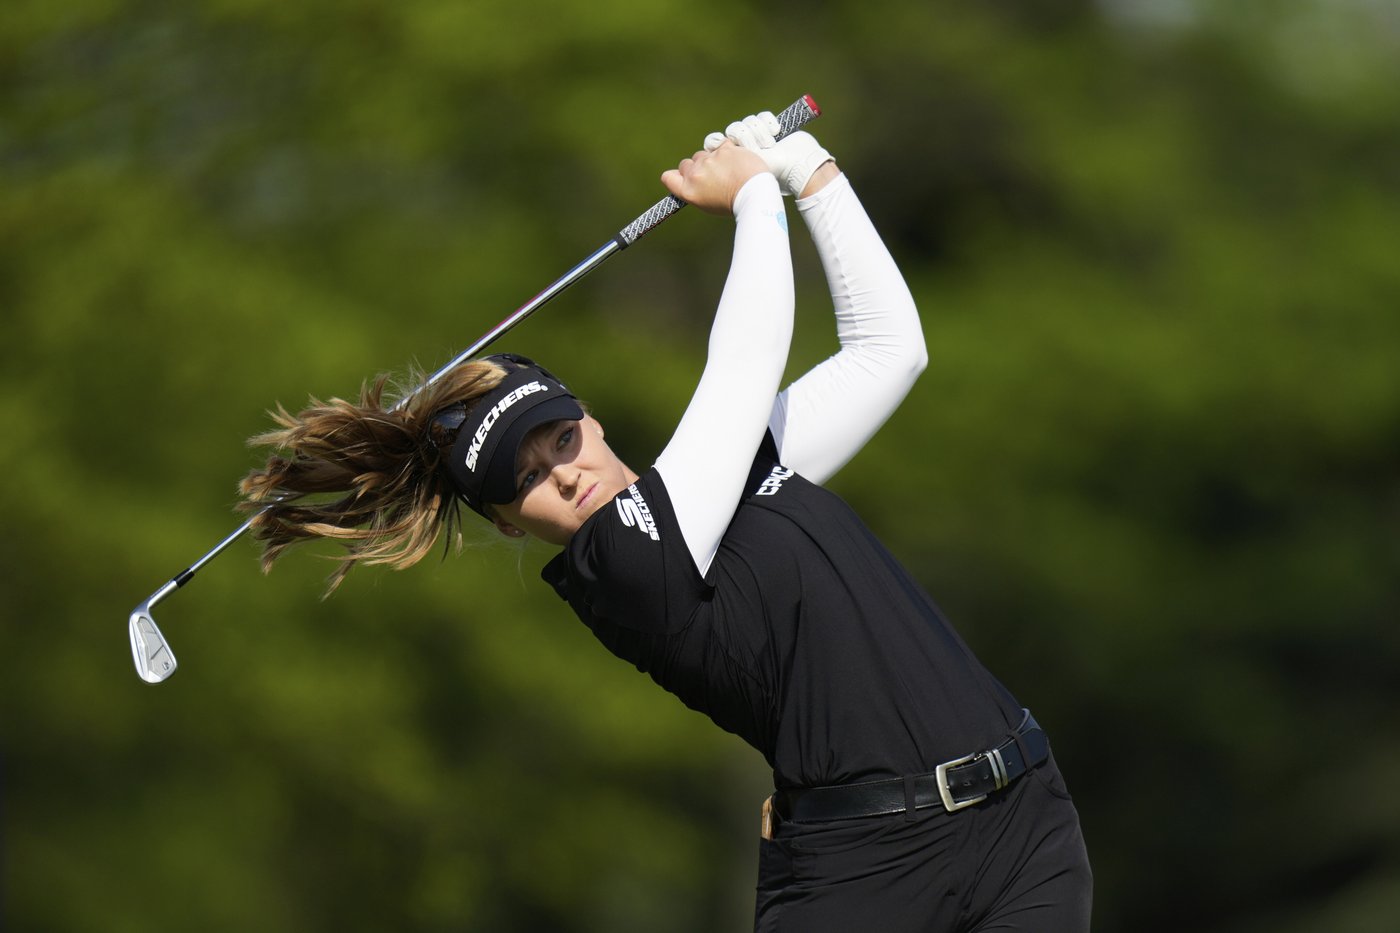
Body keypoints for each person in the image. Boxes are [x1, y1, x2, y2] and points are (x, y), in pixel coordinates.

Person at [240, 113, 1093, 932]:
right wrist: (753, 198)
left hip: (1024, 828)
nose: (563, 473)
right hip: (865, 878)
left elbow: (888, 350)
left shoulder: (732, 468)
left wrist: (810, 173)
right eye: (526, 480)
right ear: (507, 523)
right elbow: (744, 362)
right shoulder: (619, 569)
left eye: (560, 438)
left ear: (591, 419)